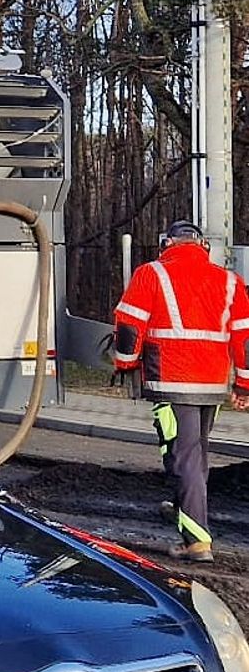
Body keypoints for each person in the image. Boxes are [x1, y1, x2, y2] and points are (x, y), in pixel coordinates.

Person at [113, 219, 249, 562]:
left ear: (166, 245)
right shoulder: (230, 281)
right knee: (195, 453)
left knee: (183, 457)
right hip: (212, 384)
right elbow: (244, 339)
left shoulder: (151, 274)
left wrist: (125, 363)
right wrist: (245, 384)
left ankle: (197, 541)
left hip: (171, 381)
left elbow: (129, 325)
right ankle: (180, 507)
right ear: (203, 246)